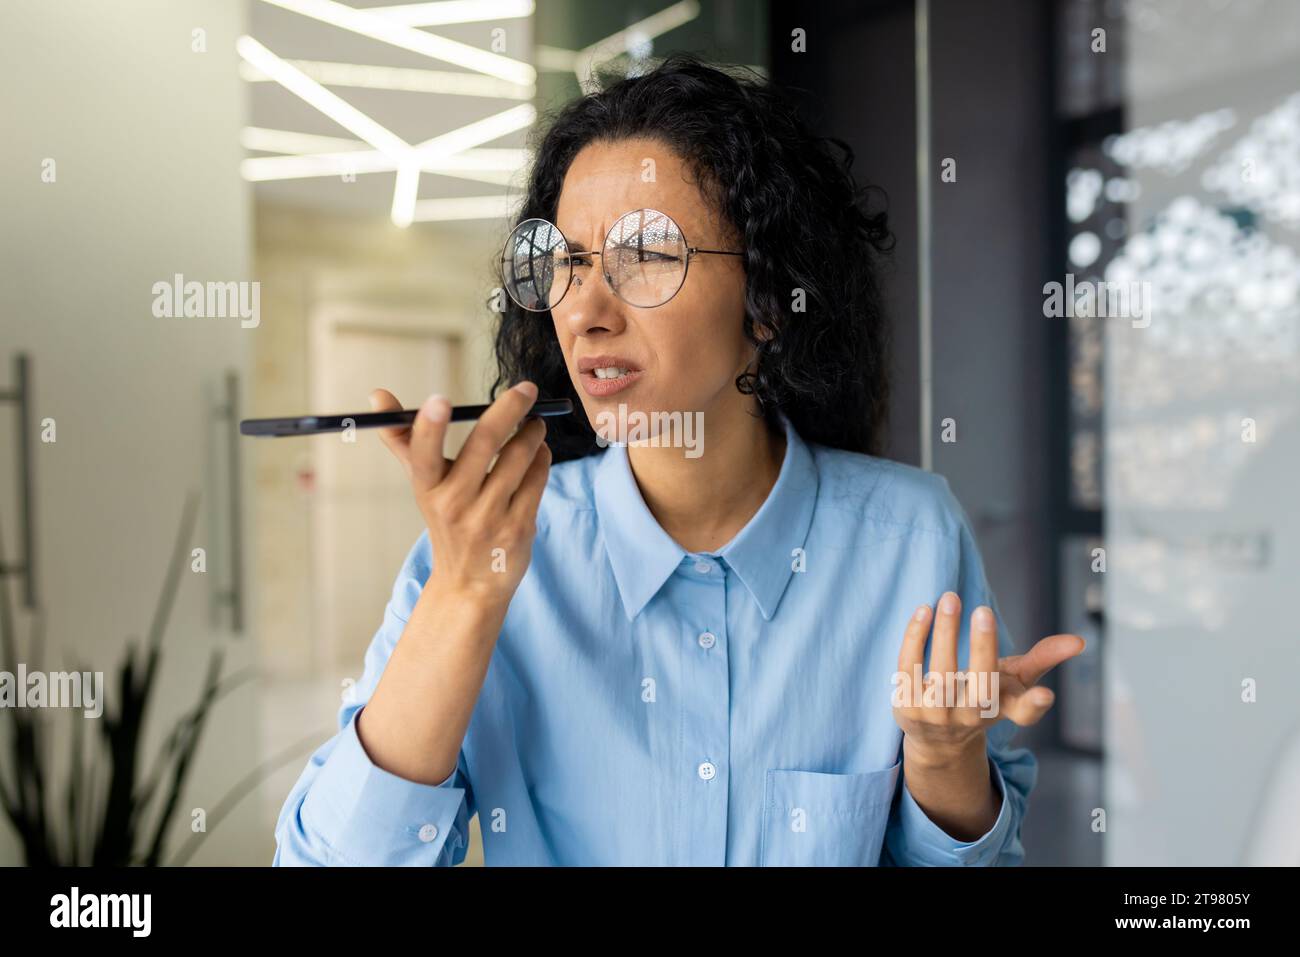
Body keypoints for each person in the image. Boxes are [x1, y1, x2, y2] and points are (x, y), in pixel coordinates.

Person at [273, 53, 1084, 866]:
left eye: (647, 256)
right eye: (566, 262)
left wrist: (944, 762)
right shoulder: (481, 552)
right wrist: (461, 599)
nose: (586, 311)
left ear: (768, 301)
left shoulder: (909, 537)